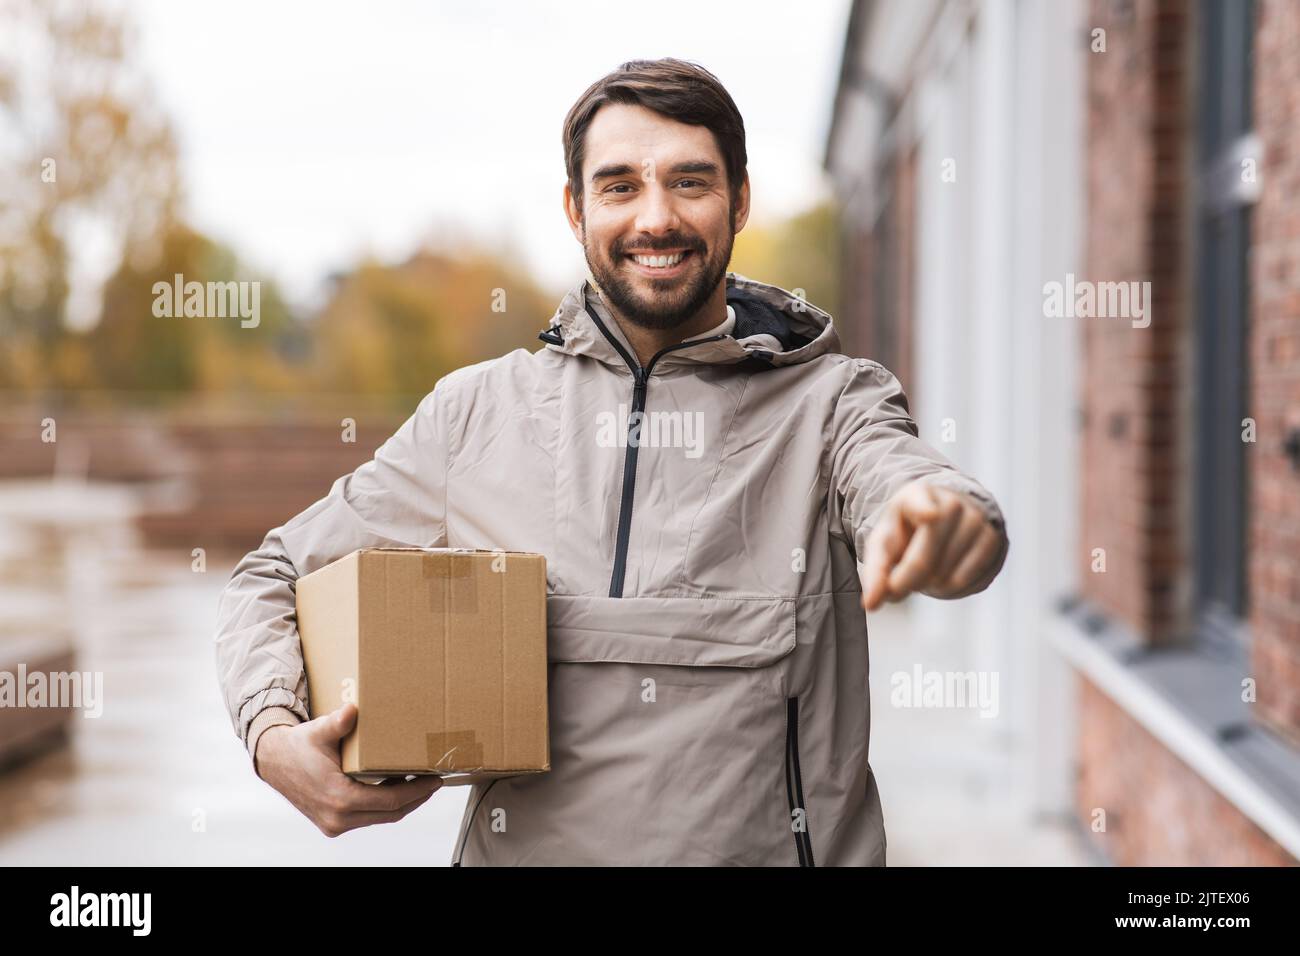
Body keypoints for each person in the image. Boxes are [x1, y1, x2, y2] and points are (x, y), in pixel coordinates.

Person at [214, 57, 1009, 866]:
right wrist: (273, 737)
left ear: (739, 199)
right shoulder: (473, 415)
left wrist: (941, 517)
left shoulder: (833, 403)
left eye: (690, 183)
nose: (654, 218)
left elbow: (906, 483)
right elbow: (272, 576)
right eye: (620, 185)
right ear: (575, 207)